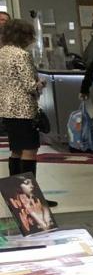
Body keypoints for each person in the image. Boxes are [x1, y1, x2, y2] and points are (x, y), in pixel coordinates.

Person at [0, 19, 53, 203]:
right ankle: (30, 196)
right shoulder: (21, 55)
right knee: (30, 150)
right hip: (23, 109)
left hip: (6, 108)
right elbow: (30, 85)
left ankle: (14, 194)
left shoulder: (2, 53)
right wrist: (41, 84)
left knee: (15, 150)